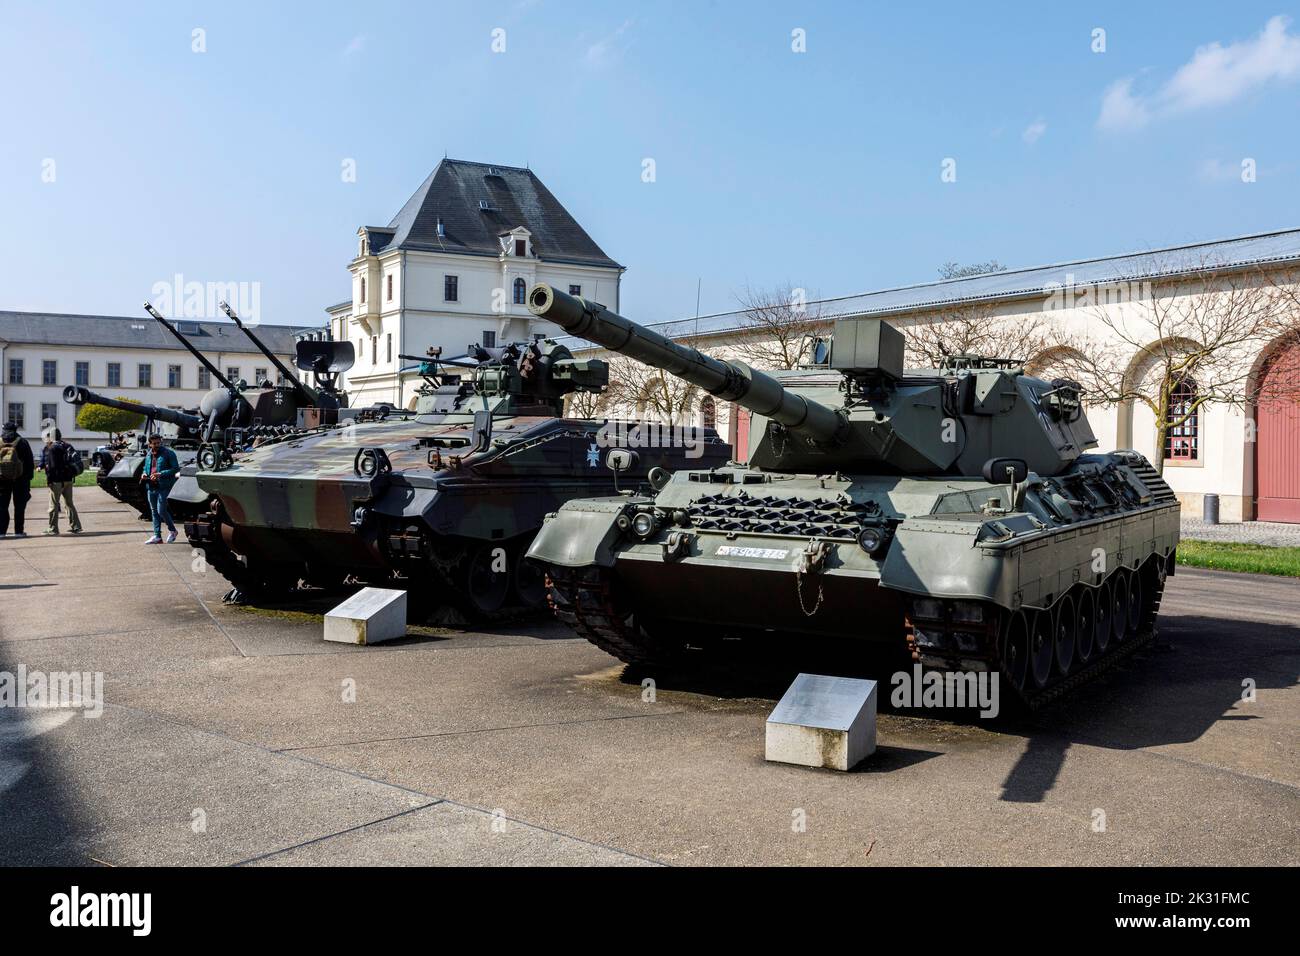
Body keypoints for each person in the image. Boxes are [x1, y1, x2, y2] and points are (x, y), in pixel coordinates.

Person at [41, 428, 82, 536]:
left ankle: (53, 528)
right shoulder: (67, 446)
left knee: (53, 505)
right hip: (68, 479)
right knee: (69, 504)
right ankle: (76, 526)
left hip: (57, 481)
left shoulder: (52, 448)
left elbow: (51, 467)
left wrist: (49, 480)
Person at [140, 432, 180, 544]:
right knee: (154, 511)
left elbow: (175, 469)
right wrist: (144, 474)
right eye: (154, 443)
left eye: (158, 442)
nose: (157, 445)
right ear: (150, 444)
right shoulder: (148, 455)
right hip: (151, 486)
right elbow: (146, 468)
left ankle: (173, 531)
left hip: (164, 485)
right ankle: (157, 536)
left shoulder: (169, 453)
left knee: (161, 510)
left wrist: (160, 474)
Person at [0, 420, 35, 538]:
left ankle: (1, 532)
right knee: (19, 506)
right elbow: (30, 463)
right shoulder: (23, 442)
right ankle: (18, 531)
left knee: (2, 506)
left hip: (2, 480)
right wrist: (29, 479)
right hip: (21, 479)